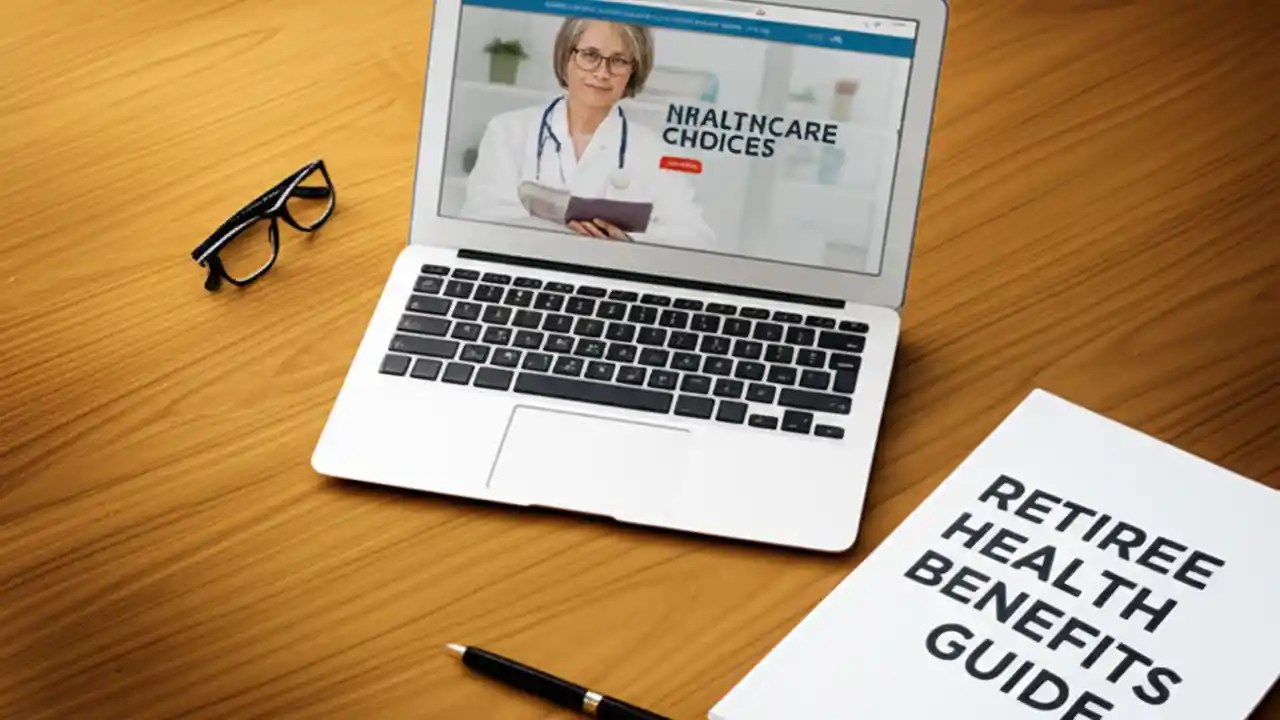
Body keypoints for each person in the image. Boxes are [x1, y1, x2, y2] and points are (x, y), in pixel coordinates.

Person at [460, 18, 715, 249]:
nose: (602, 73)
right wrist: (565, 234)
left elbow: (696, 238)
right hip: (525, 270)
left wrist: (628, 240)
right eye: (590, 55)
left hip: (611, 277)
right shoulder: (508, 131)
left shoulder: (658, 152)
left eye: (618, 61)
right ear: (566, 57)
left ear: (633, 71)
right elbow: (480, 217)